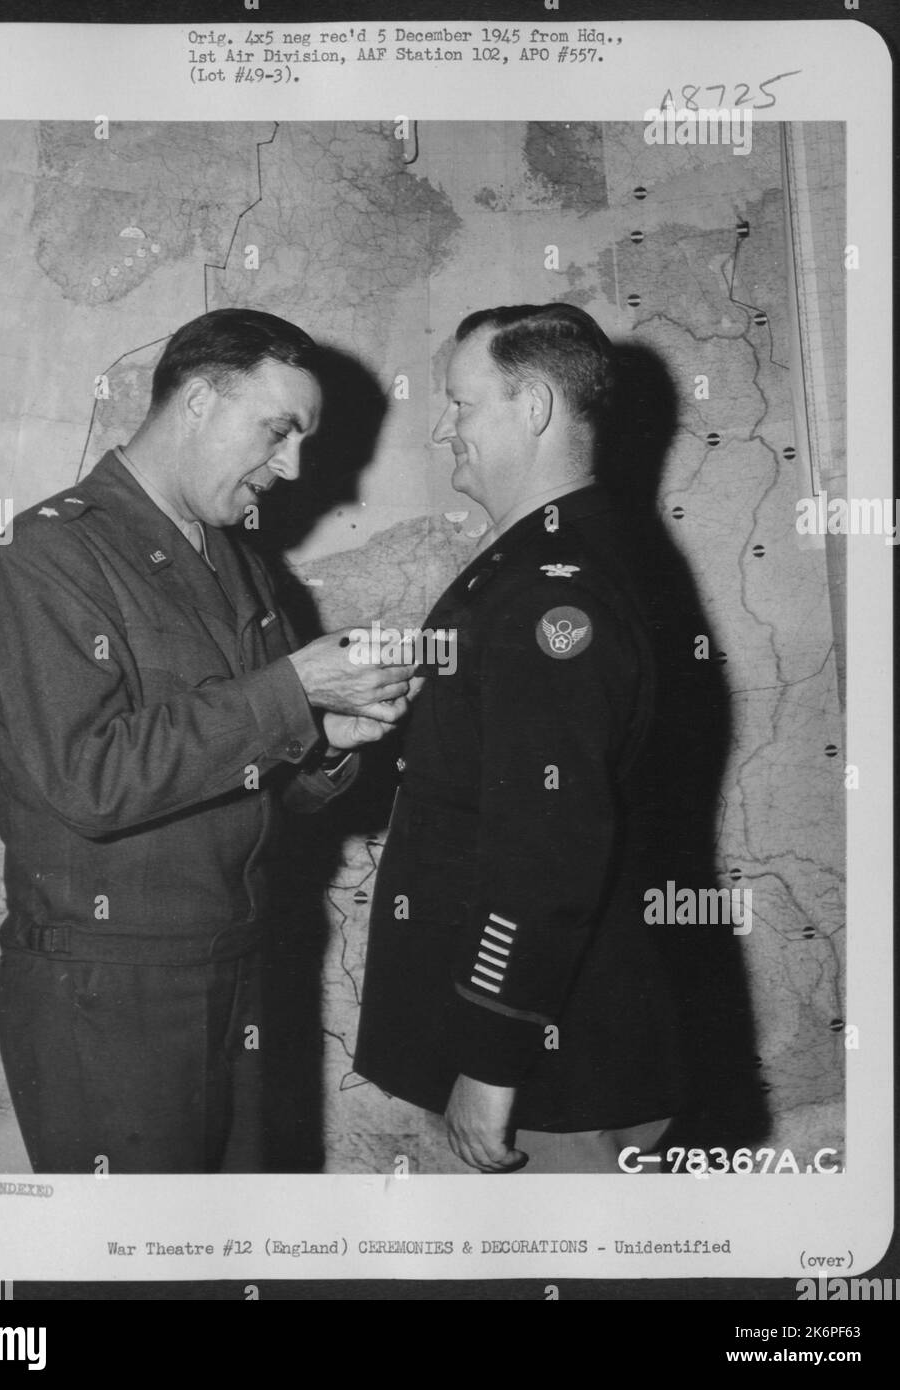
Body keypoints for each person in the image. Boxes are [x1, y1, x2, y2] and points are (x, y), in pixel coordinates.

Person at [0, 308, 414, 1174]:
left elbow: (266, 784)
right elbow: (88, 781)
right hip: (112, 987)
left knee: (234, 1255)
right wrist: (291, 689)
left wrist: (328, 740)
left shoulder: (238, 561)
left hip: (240, 965)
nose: (292, 466)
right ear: (198, 401)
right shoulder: (49, 555)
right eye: (278, 430)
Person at [354, 303, 689, 1173]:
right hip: (548, 1041)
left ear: (533, 406)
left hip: (553, 1066)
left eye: (461, 405)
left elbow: (549, 843)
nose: (441, 429)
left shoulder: (549, 590)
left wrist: (495, 1055)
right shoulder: (552, 556)